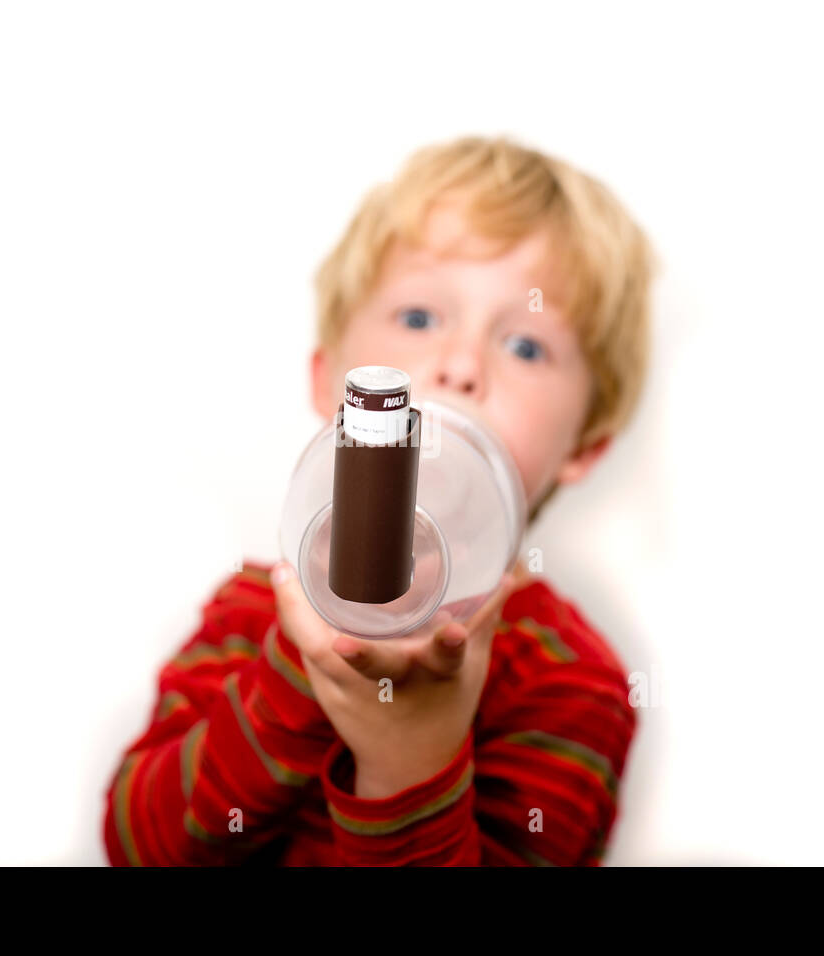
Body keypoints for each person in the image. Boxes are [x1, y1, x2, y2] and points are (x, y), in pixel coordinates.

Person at [103, 134, 655, 865]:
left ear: (585, 445)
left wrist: (412, 757)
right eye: (420, 318)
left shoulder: (570, 682)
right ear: (331, 382)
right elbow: (139, 847)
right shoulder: (248, 614)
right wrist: (300, 673)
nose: (459, 366)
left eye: (525, 346)